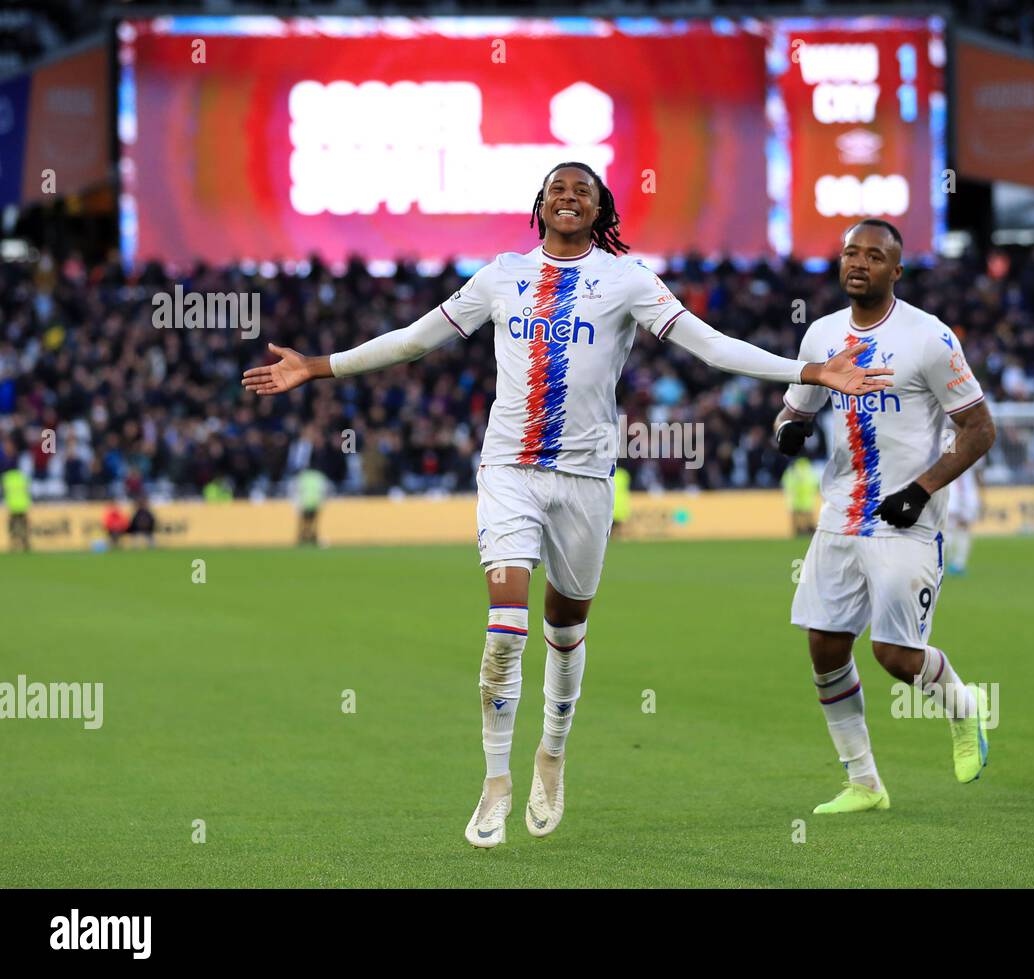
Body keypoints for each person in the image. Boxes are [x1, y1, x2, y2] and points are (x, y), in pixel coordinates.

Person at [243, 161, 893, 848]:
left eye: (582, 189)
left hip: (585, 480)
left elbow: (708, 345)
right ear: (540, 203)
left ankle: (551, 752)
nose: (568, 196)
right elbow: (414, 340)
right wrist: (318, 365)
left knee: (566, 626)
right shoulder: (500, 275)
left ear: (600, 207)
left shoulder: (627, 279)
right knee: (503, 629)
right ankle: (495, 780)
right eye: (557, 187)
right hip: (509, 470)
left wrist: (810, 369)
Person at [773, 219, 996, 814]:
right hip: (841, 513)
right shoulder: (821, 335)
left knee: (894, 656)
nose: (859, 262)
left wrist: (922, 490)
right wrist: (789, 431)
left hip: (906, 519)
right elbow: (792, 409)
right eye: (851, 252)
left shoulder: (929, 337)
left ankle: (965, 709)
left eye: (875, 256)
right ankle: (864, 783)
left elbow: (979, 429)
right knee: (825, 647)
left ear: (896, 271)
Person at [781, 456, 819, 536]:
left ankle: (799, 529)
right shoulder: (809, 469)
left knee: (796, 514)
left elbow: (786, 482)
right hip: (806, 496)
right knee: (807, 513)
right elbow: (815, 482)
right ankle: (808, 528)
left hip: (796, 496)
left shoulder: (792, 470)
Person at [2, 460, 32, 553]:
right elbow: (28, 490)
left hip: (12, 506)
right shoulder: (23, 477)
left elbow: (4, 491)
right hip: (23, 505)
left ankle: (14, 544)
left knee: (13, 526)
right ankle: (25, 543)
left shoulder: (6, 477)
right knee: (24, 525)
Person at [294, 468, 329, 546]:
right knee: (313, 523)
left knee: (304, 523)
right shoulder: (319, 476)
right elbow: (324, 489)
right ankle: (311, 537)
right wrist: (322, 502)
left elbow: (297, 490)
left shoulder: (303, 477)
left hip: (305, 503)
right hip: (314, 503)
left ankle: (303, 538)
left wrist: (297, 504)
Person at [610, 465, 631, 538]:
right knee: (618, 527)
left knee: (610, 526)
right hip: (620, 505)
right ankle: (618, 538)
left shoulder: (608, 473)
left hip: (611, 504)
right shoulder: (624, 474)